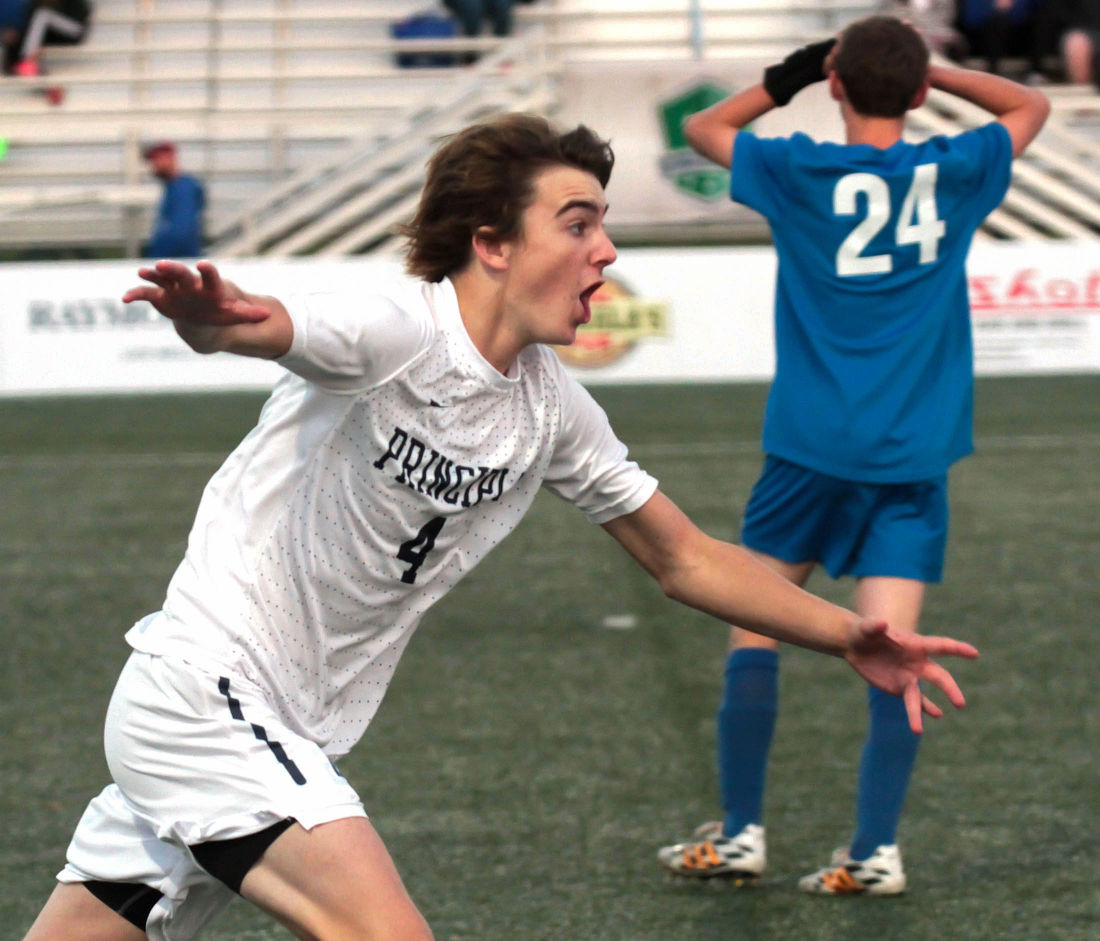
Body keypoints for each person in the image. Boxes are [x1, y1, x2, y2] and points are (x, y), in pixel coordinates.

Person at [20, 113, 979, 941]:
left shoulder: (550, 410)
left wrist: (848, 633)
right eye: (578, 223)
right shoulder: (404, 327)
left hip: (274, 726)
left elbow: (685, 558)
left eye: (603, 224)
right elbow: (276, 324)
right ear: (493, 242)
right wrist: (217, 322)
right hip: (207, 698)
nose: (606, 250)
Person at [655, 16, 1048, 895]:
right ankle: (875, 849)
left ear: (835, 85)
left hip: (811, 445)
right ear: (915, 94)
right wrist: (933, 73)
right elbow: (1031, 101)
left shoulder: (799, 169)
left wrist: (785, 77)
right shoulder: (955, 170)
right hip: (913, 455)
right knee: (897, 648)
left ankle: (745, 831)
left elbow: (703, 130)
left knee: (754, 625)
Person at [142, 140, 205, 260]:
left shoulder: (183, 188)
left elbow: (181, 230)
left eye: (156, 160)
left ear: (170, 158)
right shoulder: (173, 187)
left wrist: (159, 260)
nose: (153, 166)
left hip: (177, 263)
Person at [5, 0, 91, 77]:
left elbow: (82, 15)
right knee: (30, 21)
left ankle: (28, 60)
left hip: (74, 29)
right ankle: (22, 62)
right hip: (52, 31)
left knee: (42, 15)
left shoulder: (74, 4)